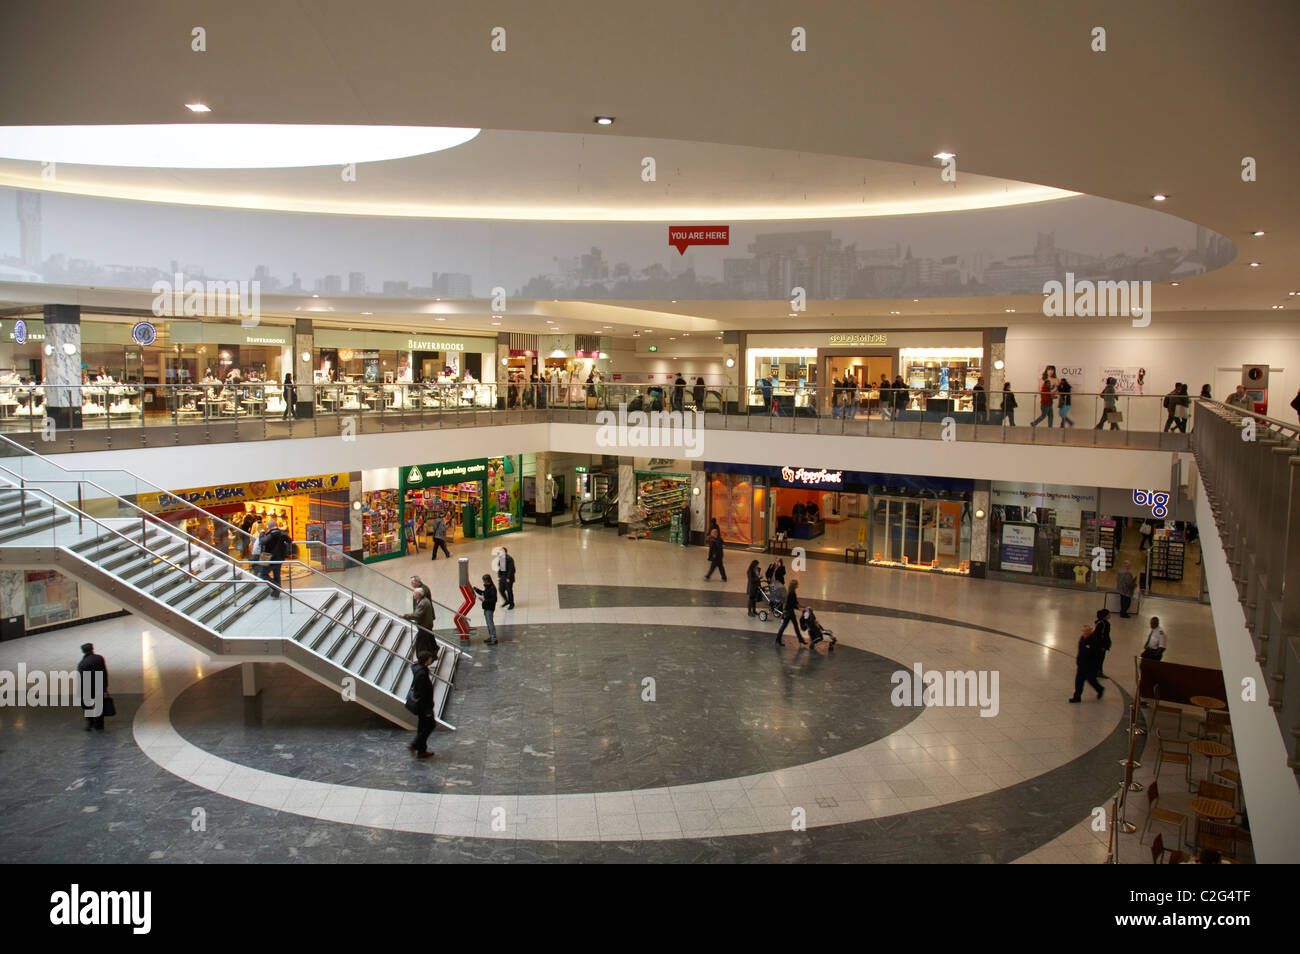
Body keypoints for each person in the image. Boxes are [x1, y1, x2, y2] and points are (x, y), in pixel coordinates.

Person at [406, 650, 436, 759]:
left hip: (421, 705)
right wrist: (428, 709)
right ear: (427, 660)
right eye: (430, 658)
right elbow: (424, 693)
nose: (431, 660)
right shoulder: (422, 674)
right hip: (424, 706)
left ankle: (421, 751)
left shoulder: (418, 668)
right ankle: (414, 745)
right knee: (430, 725)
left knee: (422, 726)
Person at [1068, 625, 1105, 703]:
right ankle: (1077, 697)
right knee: (1078, 681)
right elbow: (1080, 651)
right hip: (1081, 665)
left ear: (1091, 631)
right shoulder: (1082, 639)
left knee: (1091, 680)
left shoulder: (1095, 641)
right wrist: (1078, 660)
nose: (1085, 633)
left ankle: (1100, 689)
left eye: (1087, 631)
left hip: (1091, 666)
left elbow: (1098, 655)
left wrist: (1096, 666)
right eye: (1084, 631)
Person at [77, 642, 109, 731]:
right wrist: (105, 685)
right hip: (99, 684)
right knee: (99, 705)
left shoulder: (83, 663)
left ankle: (90, 722)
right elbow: (104, 672)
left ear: (83, 651)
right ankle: (99, 724)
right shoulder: (99, 658)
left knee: (86, 705)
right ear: (92, 649)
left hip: (88, 687)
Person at [402, 581, 437, 657]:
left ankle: (422, 658)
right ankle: (434, 651)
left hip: (424, 625)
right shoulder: (423, 601)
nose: (413, 595)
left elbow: (417, 615)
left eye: (414, 593)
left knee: (420, 643)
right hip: (426, 624)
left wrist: (405, 616)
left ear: (419, 595)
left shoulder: (423, 603)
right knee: (428, 640)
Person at [260, 517, 290, 597]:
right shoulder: (282, 533)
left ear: (269, 526)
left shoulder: (271, 534)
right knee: (277, 574)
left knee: (263, 574)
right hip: (280, 557)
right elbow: (289, 540)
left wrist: (261, 534)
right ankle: (276, 593)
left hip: (268, 557)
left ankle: (277, 587)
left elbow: (262, 542)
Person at [775, 579, 803, 646]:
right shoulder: (791, 594)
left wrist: (801, 607)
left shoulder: (792, 593)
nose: (798, 585)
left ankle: (800, 639)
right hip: (789, 612)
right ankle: (778, 639)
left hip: (789, 612)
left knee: (794, 626)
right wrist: (799, 608)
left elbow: (795, 602)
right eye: (797, 584)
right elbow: (792, 604)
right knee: (785, 626)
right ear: (794, 586)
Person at [473, 573, 499, 645]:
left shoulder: (492, 588)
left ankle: (493, 638)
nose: (483, 582)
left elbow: (494, 600)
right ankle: (491, 636)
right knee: (488, 623)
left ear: (487, 581)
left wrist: (484, 600)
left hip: (489, 608)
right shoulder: (488, 587)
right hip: (486, 607)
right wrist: (477, 590)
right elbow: (484, 593)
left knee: (490, 623)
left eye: (484, 581)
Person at [1093, 608, 1113, 678]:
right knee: (1099, 658)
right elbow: (1099, 635)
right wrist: (1102, 646)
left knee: (1100, 658)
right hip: (1100, 645)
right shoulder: (1103, 624)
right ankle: (1096, 672)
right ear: (1105, 615)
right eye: (1109, 614)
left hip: (1102, 644)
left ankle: (1098, 671)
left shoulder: (1102, 622)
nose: (1110, 615)